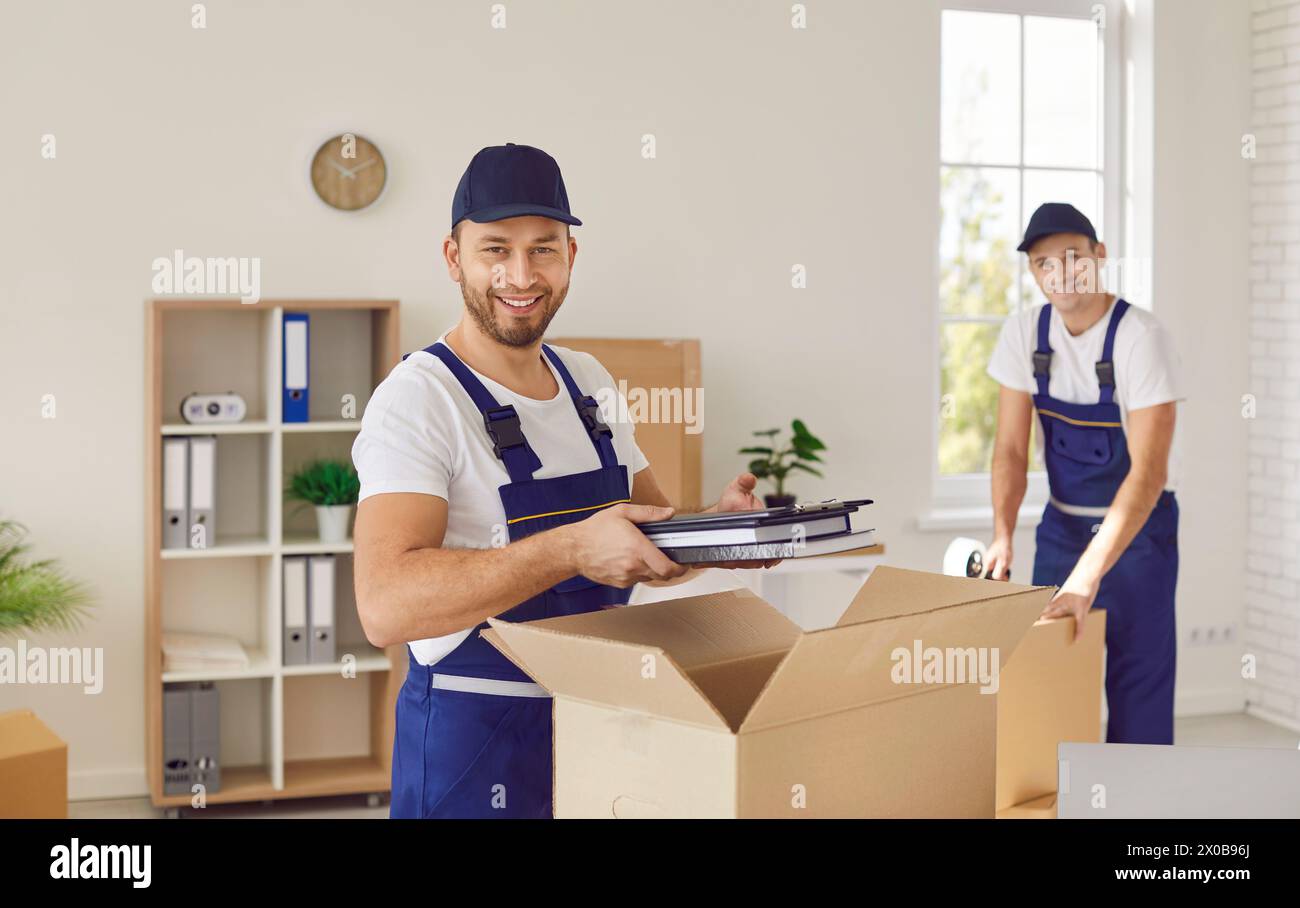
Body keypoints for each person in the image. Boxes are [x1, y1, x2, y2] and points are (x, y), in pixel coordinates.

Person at [351, 142, 771, 818]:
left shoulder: (589, 384)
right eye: (496, 249)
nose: (521, 274)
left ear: (571, 256)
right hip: (474, 756)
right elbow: (383, 607)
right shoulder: (419, 399)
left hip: (601, 739)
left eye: (543, 248)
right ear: (454, 257)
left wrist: (722, 531)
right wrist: (570, 549)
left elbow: (650, 536)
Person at [985, 202, 1184, 745]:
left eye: (1073, 256)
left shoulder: (1139, 338)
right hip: (1061, 532)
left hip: (1140, 539)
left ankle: (1139, 819)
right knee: (1047, 691)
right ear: (1033, 272)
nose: (1060, 272)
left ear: (1099, 257)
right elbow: (1008, 449)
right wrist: (1003, 535)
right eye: (1044, 262)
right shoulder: (1025, 334)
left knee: (1138, 690)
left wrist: (1087, 576)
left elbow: (1147, 474)